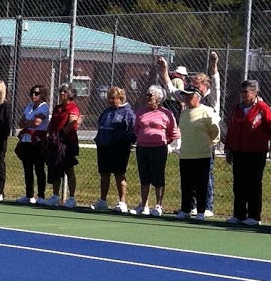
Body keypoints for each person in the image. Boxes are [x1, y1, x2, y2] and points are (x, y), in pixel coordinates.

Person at [223, 78, 271, 225]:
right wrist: (228, 149)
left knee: (253, 184)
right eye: (241, 92)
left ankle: (254, 216)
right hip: (239, 151)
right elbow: (232, 129)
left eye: (246, 92)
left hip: (256, 152)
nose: (243, 95)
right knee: (239, 184)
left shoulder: (262, 107)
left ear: (255, 93)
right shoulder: (237, 108)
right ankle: (239, 214)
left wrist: (260, 138)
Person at [175, 85, 221, 219]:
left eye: (189, 96)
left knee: (201, 184)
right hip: (185, 155)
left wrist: (208, 144)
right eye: (185, 96)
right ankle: (185, 209)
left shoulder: (207, 111)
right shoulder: (183, 113)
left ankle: (201, 211)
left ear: (197, 97)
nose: (186, 98)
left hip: (202, 154)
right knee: (186, 184)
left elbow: (214, 131)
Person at [132, 85, 178, 216]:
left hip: (158, 148)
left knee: (158, 176)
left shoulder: (166, 113)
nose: (147, 98)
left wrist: (164, 142)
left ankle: (158, 205)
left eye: (150, 95)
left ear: (158, 98)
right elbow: (136, 129)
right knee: (144, 177)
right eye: (147, 95)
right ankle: (144, 205)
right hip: (142, 148)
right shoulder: (141, 112)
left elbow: (173, 132)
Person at [92, 85, 135, 212]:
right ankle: (102, 201)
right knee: (104, 174)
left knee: (119, 175)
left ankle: (122, 202)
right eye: (109, 98)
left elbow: (133, 131)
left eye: (113, 98)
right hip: (104, 147)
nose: (110, 101)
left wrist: (123, 141)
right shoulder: (107, 111)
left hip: (119, 149)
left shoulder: (128, 113)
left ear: (120, 98)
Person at [42, 83, 82, 207]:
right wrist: (48, 135)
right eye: (61, 91)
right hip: (54, 143)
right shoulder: (57, 108)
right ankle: (55, 196)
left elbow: (72, 125)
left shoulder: (73, 108)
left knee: (69, 169)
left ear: (70, 94)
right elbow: (52, 123)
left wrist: (59, 135)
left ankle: (71, 198)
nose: (62, 94)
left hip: (67, 143)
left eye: (64, 91)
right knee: (54, 168)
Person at [13, 84, 50, 204]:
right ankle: (29, 195)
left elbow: (37, 122)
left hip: (37, 142)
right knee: (27, 168)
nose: (33, 95)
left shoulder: (44, 107)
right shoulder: (29, 106)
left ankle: (41, 196)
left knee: (39, 169)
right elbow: (21, 122)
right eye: (32, 93)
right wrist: (29, 123)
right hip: (26, 141)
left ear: (42, 95)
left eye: (37, 93)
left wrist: (28, 123)